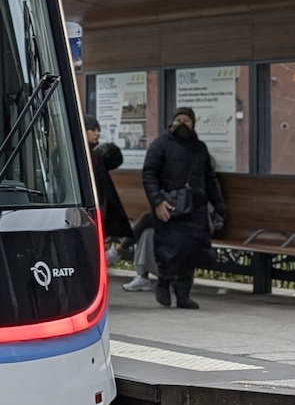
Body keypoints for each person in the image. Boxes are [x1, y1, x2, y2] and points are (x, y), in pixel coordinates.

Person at [141, 107, 227, 309]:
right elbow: (149, 174)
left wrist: (218, 206)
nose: (182, 123)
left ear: (193, 124)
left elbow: (210, 180)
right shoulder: (160, 145)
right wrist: (157, 202)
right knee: (170, 250)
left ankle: (183, 295)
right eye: (178, 119)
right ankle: (163, 282)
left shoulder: (200, 148)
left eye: (186, 120)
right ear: (172, 122)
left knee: (191, 251)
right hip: (169, 206)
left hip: (195, 208)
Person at [84, 116, 133, 264]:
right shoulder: (76, 155)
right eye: (92, 129)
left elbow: (113, 162)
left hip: (100, 208)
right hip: (89, 209)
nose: (96, 133)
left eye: (98, 129)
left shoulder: (97, 156)